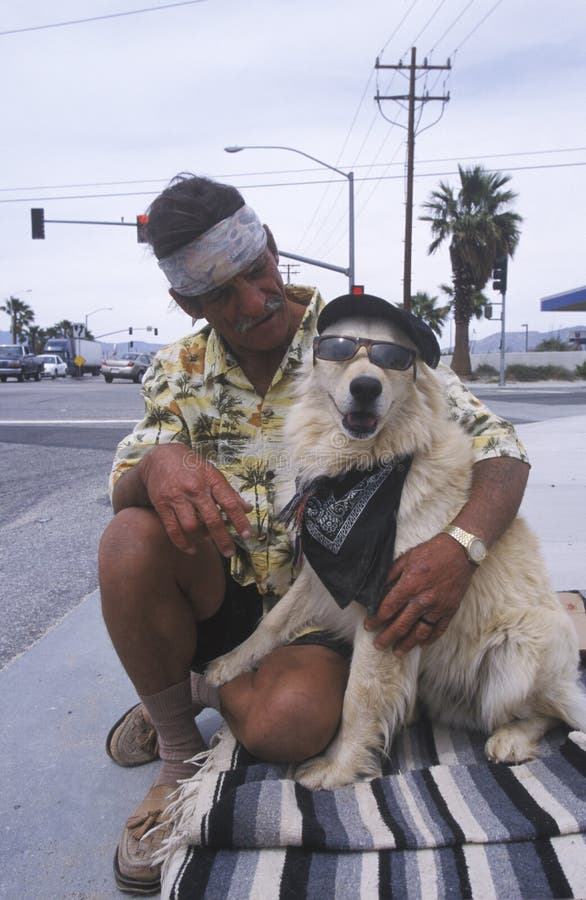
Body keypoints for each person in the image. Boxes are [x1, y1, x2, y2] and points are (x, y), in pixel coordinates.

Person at [98, 174, 530, 894]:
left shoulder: (367, 335)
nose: (254, 300)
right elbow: (123, 484)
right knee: (128, 540)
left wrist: (461, 549)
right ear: (185, 303)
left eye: (257, 271)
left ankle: (190, 687)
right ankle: (177, 751)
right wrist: (156, 465)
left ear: (271, 248)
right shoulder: (179, 368)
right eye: (221, 295)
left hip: (327, 611)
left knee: (288, 725)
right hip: (227, 588)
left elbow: (501, 448)